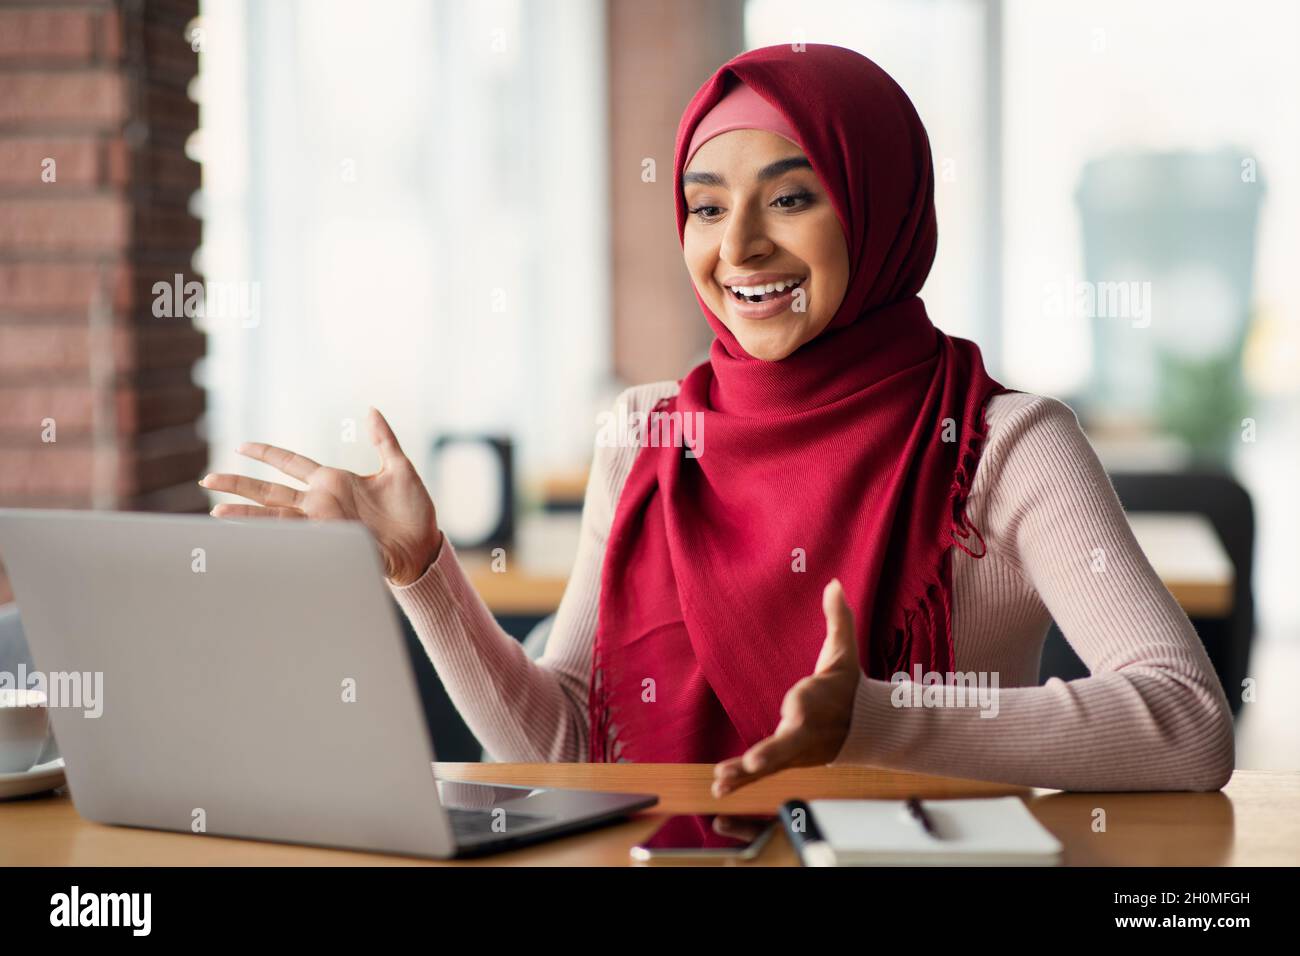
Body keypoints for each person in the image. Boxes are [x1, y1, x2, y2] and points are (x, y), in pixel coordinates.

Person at [200, 44, 1234, 794]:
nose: (738, 245)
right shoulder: (648, 430)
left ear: (879, 210)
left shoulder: (1005, 443)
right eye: (703, 204)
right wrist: (423, 570)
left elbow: (1187, 724)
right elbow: (565, 749)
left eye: (790, 199)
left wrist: (873, 722)